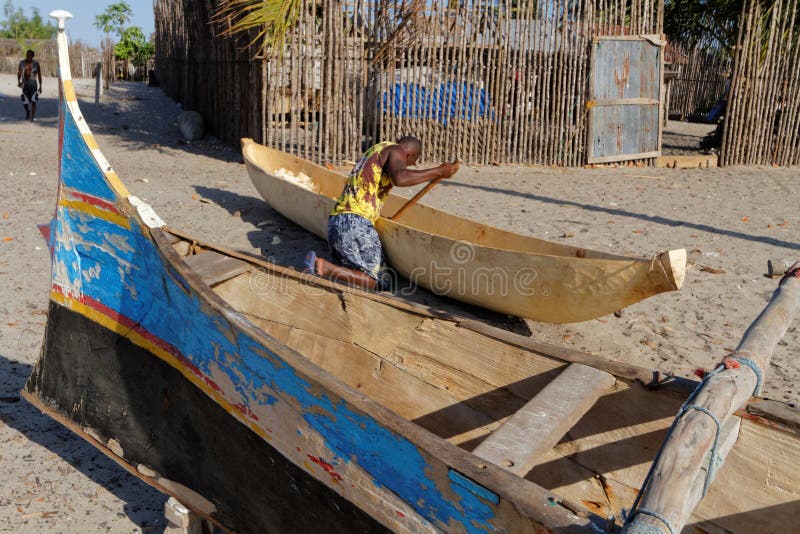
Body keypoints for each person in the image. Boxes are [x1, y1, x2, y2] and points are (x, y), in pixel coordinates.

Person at [305, 136, 459, 290]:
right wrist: (438, 171)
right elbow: (400, 178)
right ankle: (325, 267)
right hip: (354, 223)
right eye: (412, 162)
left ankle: (327, 269)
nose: (410, 165)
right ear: (409, 155)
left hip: (337, 221)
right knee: (381, 281)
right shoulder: (396, 150)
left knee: (358, 278)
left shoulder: (378, 150)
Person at [17, 50, 42, 122]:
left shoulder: (36, 64)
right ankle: (27, 111)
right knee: (25, 101)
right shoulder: (22, 63)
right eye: (27, 55)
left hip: (33, 85)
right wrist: (19, 82)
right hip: (25, 84)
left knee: (34, 101)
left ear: (33, 56)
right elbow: (19, 72)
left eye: (30, 55)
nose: (28, 56)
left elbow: (39, 75)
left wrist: (40, 86)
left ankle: (32, 117)